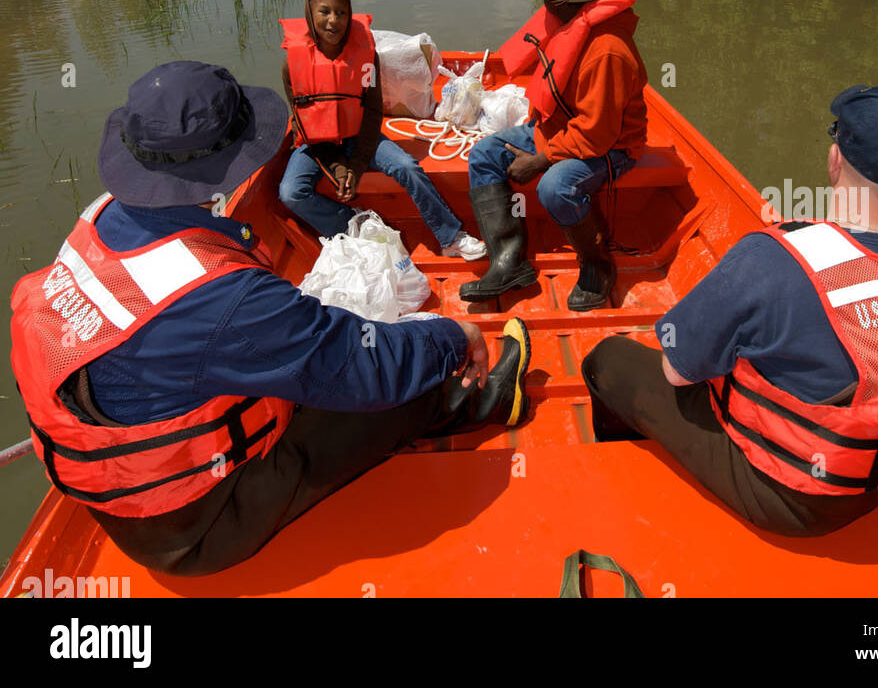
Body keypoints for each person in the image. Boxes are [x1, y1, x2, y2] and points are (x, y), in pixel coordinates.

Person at [9, 61, 530, 576]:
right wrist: (450, 335)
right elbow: (354, 363)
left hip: (125, 499)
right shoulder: (223, 297)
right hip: (197, 526)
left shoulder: (98, 219)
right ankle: (479, 399)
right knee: (392, 384)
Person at [581, 82, 878, 537]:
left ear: (836, 159)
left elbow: (678, 373)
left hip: (788, 499)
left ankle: (625, 473)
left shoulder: (772, 259)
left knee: (608, 359)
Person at [461, 0, 648, 311]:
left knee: (555, 187)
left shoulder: (609, 50)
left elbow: (596, 134)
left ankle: (597, 265)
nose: (542, 0)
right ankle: (509, 262)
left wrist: (540, 159)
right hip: (562, 131)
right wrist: (538, 134)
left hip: (612, 147)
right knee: (484, 155)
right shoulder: (569, 21)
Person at [278, 0, 485, 259]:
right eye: (324, 12)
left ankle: (450, 237)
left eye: (341, 13)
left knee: (407, 167)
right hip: (317, 143)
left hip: (359, 134)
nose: (333, 20)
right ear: (309, 14)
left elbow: (373, 111)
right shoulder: (292, 65)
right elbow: (303, 123)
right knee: (290, 192)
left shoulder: (366, 57)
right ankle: (354, 222)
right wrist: (340, 169)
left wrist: (357, 164)